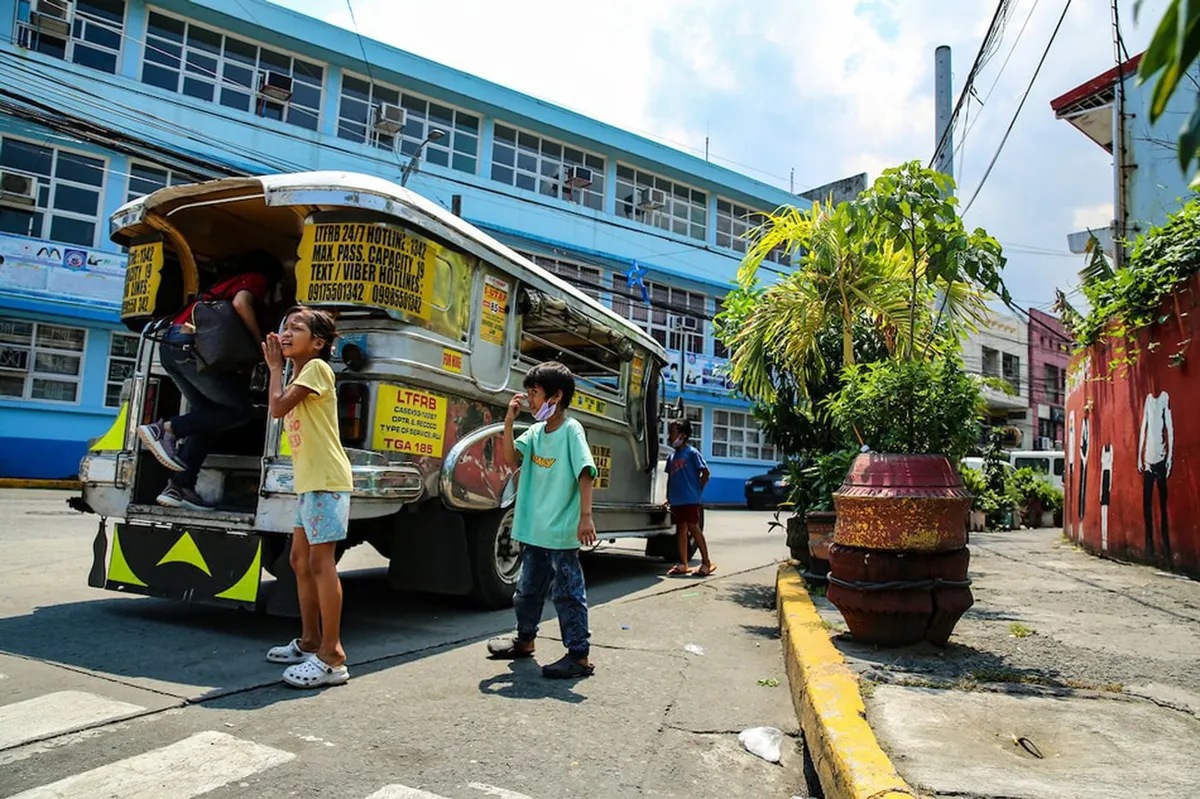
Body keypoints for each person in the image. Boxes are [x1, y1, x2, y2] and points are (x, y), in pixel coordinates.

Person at [136, 252, 279, 510]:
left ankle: (180, 487)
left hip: (171, 347)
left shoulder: (219, 285)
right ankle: (166, 429)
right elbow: (241, 303)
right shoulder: (255, 279)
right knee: (239, 410)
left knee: (208, 417)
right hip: (191, 349)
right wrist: (259, 343)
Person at [485, 361, 598, 679]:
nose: (529, 400)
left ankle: (578, 656)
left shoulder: (571, 430)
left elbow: (585, 472)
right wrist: (509, 420)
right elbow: (511, 459)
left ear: (555, 397)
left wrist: (585, 517)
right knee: (527, 590)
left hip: (560, 531)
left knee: (568, 593)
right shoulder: (535, 433)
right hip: (535, 530)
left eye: (534, 393)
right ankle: (525, 640)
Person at [261, 306, 354, 688]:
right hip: (310, 483)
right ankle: (310, 641)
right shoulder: (302, 373)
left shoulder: (316, 368)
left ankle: (333, 656)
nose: (286, 333)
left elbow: (277, 408)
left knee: (320, 563)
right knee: (300, 561)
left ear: (317, 343)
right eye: (285, 326)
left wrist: (273, 368)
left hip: (326, 481)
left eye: (296, 328)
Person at [664, 418, 715, 577]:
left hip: (690, 500)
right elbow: (670, 478)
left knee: (694, 528)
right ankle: (683, 563)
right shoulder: (671, 457)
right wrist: (668, 497)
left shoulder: (692, 453)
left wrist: (698, 490)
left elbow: (705, 473)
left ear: (683, 435)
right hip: (677, 501)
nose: (670, 436)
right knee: (681, 530)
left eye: (673, 432)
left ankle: (706, 562)